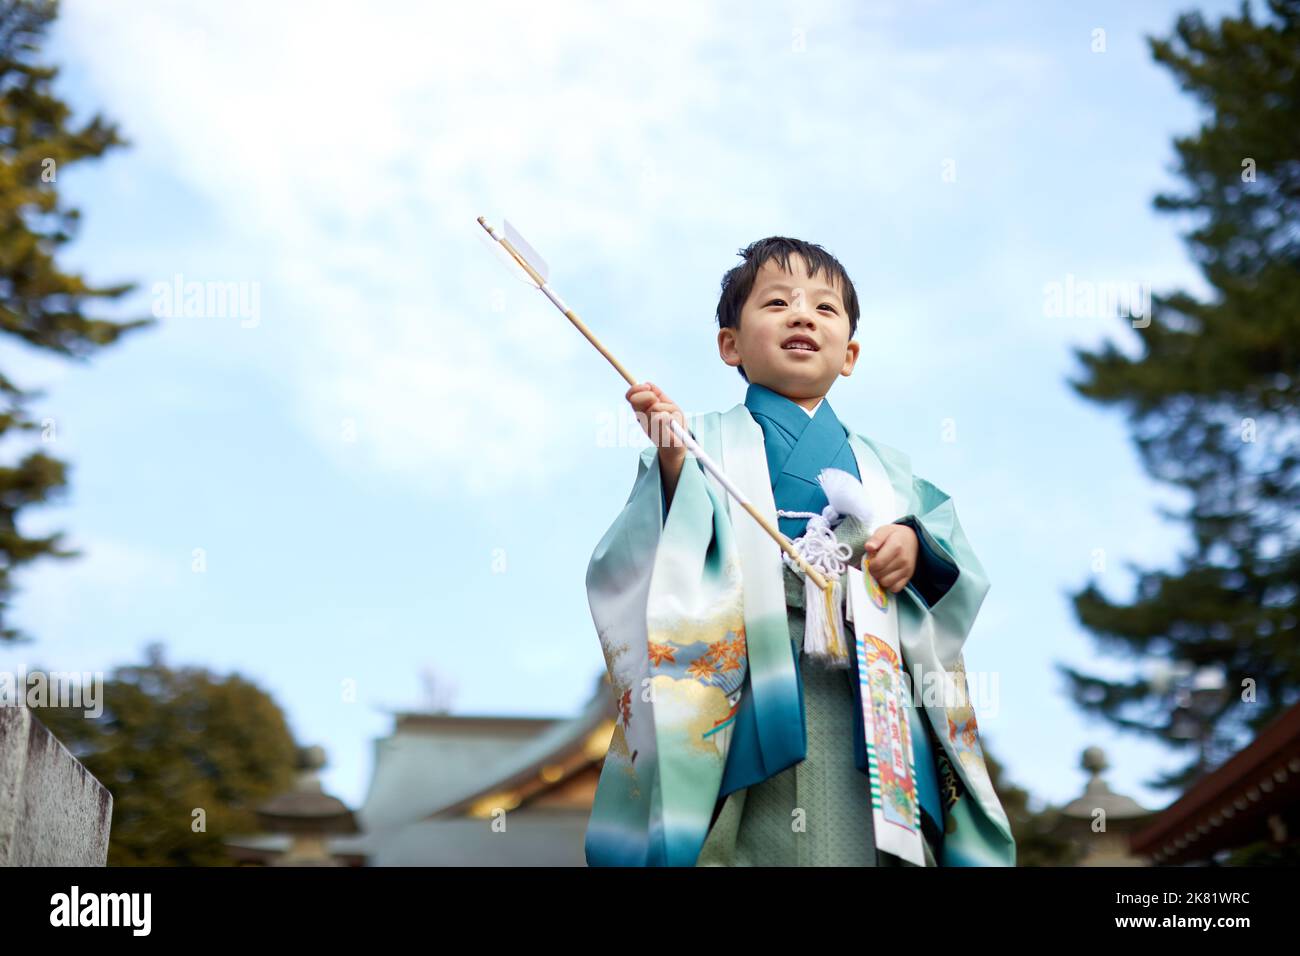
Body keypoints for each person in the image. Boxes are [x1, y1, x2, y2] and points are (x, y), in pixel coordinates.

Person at [583, 237, 1015, 867]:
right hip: (755, 680)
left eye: (824, 308)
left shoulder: (887, 471)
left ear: (851, 354)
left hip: (874, 688)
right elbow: (640, 561)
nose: (802, 316)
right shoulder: (701, 442)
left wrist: (915, 548)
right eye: (777, 302)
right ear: (730, 344)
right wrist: (675, 464)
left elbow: (957, 568)